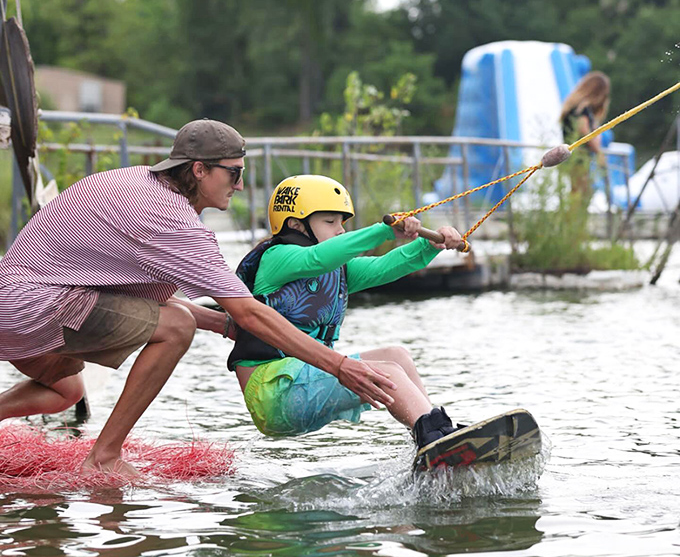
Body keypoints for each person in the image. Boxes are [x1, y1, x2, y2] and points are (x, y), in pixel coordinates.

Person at [0, 120, 395, 479]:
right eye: (234, 173)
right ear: (199, 170)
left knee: (65, 393)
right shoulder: (173, 220)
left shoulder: (134, 181)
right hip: (40, 309)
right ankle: (104, 457)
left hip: (15, 306)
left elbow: (166, 303)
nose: (240, 185)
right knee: (176, 329)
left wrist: (224, 325)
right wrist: (339, 365)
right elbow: (246, 312)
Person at [227, 174, 466, 452]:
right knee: (386, 371)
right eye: (330, 222)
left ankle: (434, 437)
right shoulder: (277, 258)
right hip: (272, 392)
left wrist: (429, 244)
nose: (340, 230)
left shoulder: (339, 270)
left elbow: (384, 267)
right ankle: (435, 440)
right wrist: (384, 231)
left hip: (308, 378)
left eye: (342, 223)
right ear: (295, 225)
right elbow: (316, 258)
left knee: (396, 357)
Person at [559, 71, 611, 199]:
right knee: (580, 193)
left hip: (572, 156)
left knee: (578, 191)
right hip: (579, 158)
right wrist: (598, 152)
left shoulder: (573, 108)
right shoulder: (583, 110)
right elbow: (584, 130)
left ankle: (574, 218)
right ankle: (575, 219)